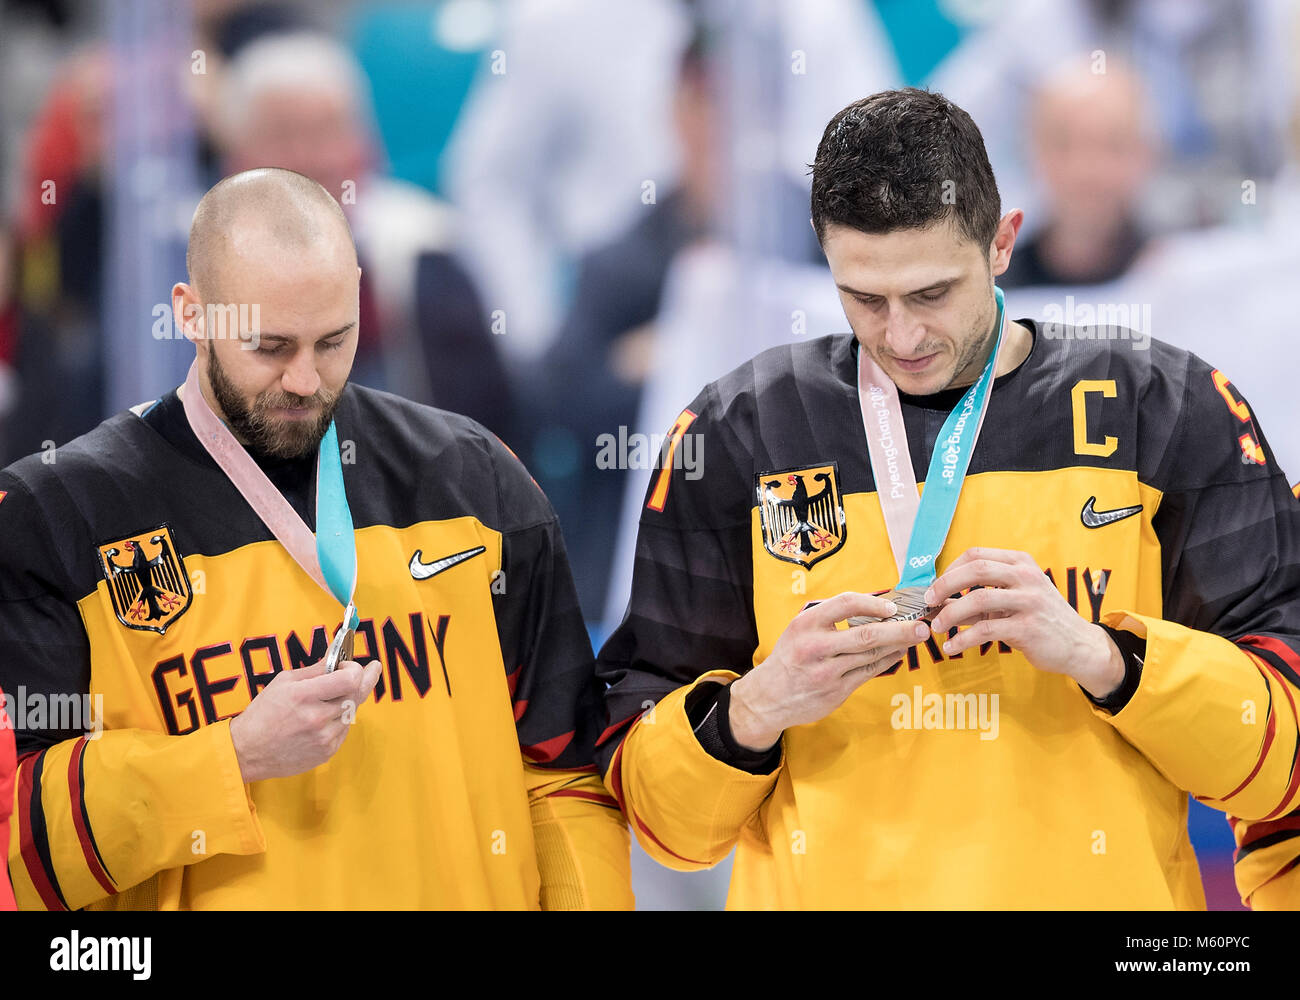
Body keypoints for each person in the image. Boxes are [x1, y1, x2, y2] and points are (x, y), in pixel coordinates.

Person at [595, 88, 1300, 909]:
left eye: (932, 294)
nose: (901, 336)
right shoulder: (741, 431)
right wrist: (753, 709)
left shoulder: (1165, 406)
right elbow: (656, 820)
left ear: (1003, 243)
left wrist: (1105, 659)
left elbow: (1279, 760)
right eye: (864, 297)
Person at [0, 167, 632, 910]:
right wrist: (230, 759)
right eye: (269, 346)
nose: (305, 380)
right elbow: (20, 846)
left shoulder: (474, 480)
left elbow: (567, 774)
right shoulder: (56, 514)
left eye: (333, 340)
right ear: (190, 314)